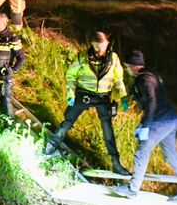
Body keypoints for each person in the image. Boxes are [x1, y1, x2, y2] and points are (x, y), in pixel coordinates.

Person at [112, 50, 177, 202]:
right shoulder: (152, 75)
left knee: (142, 150)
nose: (127, 69)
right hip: (172, 119)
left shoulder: (143, 79)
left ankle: (132, 189)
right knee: (171, 155)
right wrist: (131, 99)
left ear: (134, 66)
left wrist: (145, 126)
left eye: (127, 66)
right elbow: (149, 97)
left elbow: (151, 100)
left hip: (161, 121)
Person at [46, 31, 129, 175]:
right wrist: (70, 92)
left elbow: (119, 79)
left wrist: (123, 96)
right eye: (97, 47)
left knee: (107, 128)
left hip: (103, 98)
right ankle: (52, 144)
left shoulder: (113, 59)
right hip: (84, 94)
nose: (100, 51)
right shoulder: (83, 57)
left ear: (107, 44)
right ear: (91, 45)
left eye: (102, 47)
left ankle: (116, 162)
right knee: (68, 120)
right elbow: (71, 75)